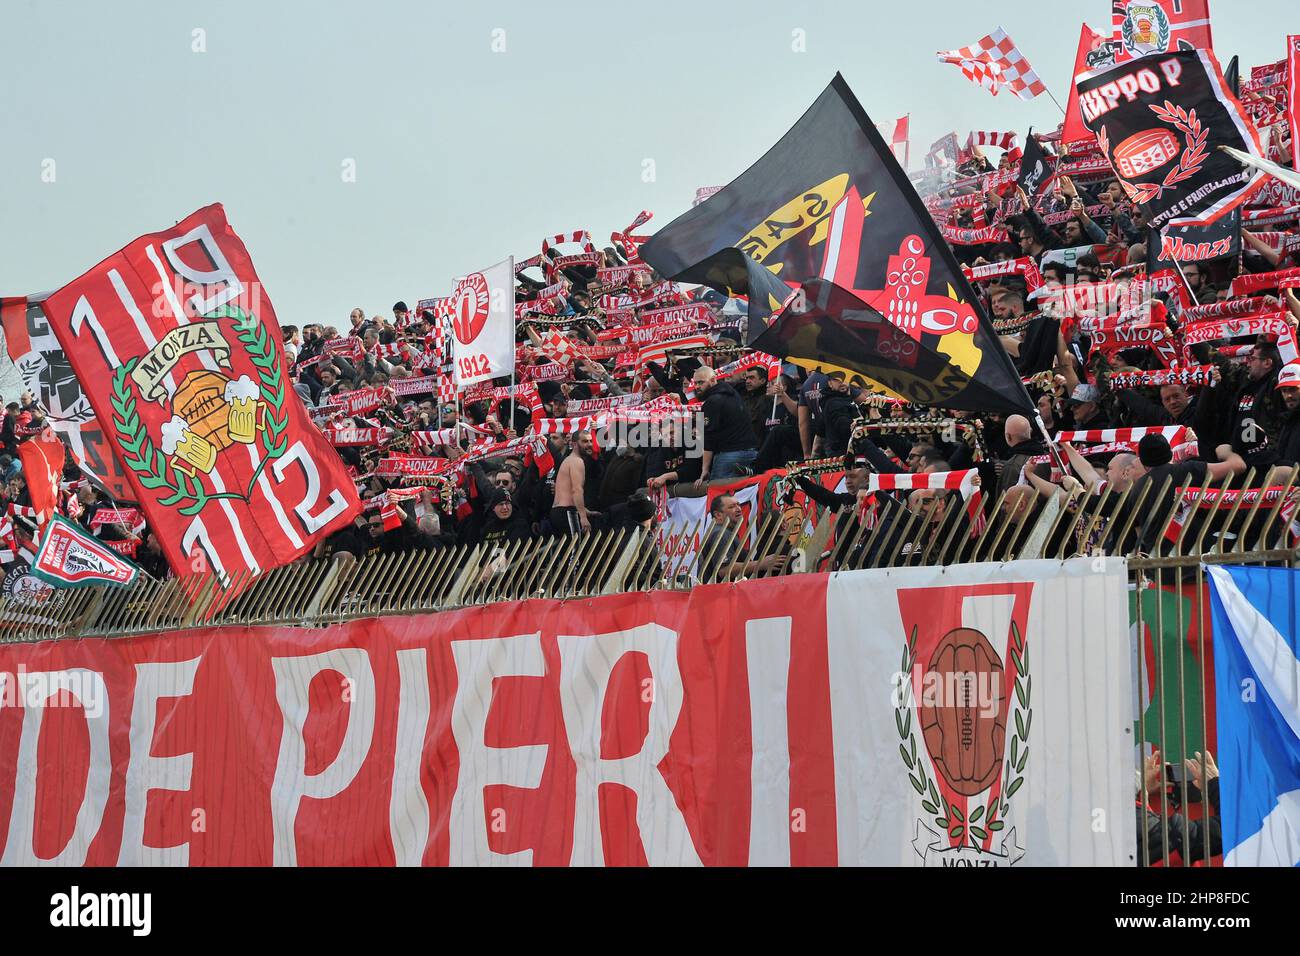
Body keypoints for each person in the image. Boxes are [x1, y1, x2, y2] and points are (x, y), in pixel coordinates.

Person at [697, 494, 785, 582]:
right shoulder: (721, 534)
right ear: (718, 515)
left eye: (738, 505)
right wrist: (761, 564)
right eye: (731, 507)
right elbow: (723, 570)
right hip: (721, 594)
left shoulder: (725, 533)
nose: (738, 509)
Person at [692, 365, 757, 482]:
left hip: (729, 456)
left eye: (701, 382)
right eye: (695, 383)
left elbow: (708, 438)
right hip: (750, 452)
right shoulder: (733, 394)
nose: (697, 387)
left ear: (713, 380)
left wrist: (705, 469)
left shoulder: (712, 401)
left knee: (719, 496)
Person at [552, 430, 599, 533]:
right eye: (585, 441)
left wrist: (585, 511)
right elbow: (576, 490)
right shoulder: (577, 461)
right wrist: (583, 517)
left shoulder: (569, 460)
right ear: (574, 444)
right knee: (575, 548)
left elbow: (566, 491)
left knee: (565, 547)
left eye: (591, 441)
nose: (590, 444)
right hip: (567, 512)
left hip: (560, 511)